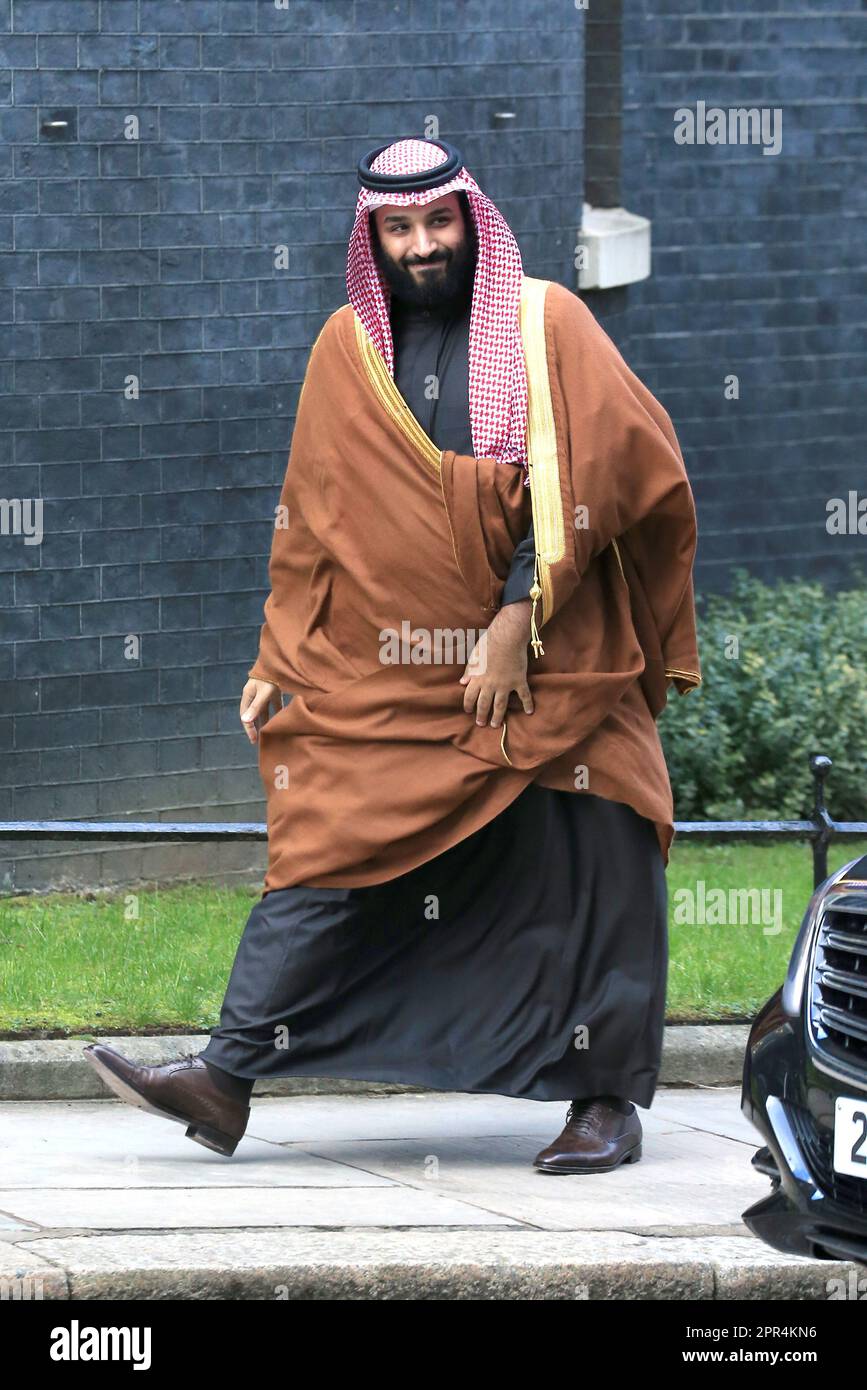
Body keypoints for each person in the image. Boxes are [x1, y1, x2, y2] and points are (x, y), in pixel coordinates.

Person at [84, 137, 701, 1175]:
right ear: (374, 238)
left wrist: (519, 618)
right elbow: (311, 525)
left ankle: (606, 1100)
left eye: (439, 223)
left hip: (555, 660)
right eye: (399, 229)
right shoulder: (345, 347)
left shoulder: (547, 321)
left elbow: (624, 472)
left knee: (606, 828)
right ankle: (225, 1078)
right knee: (329, 832)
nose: (422, 245)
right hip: (395, 671)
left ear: (473, 221)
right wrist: (278, 657)